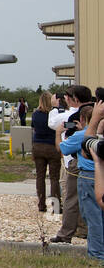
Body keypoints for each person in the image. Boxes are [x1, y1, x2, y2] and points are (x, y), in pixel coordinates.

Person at [59, 101, 102, 261]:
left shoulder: (84, 136)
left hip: (89, 176)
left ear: (83, 119)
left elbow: (81, 148)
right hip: (94, 174)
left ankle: (97, 255)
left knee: (93, 217)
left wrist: (58, 133)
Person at [52, 85, 94, 243]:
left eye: (68, 98)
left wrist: (60, 132)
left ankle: (65, 233)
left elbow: (66, 147)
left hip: (78, 163)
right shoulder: (96, 109)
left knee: (71, 198)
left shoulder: (76, 116)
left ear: (75, 99)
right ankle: (87, 230)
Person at [30, 91, 60, 213]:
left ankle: (41, 204)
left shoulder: (35, 114)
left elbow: (33, 128)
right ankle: (56, 206)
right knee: (54, 178)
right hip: (52, 146)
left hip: (38, 146)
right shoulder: (54, 114)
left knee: (40, 177)